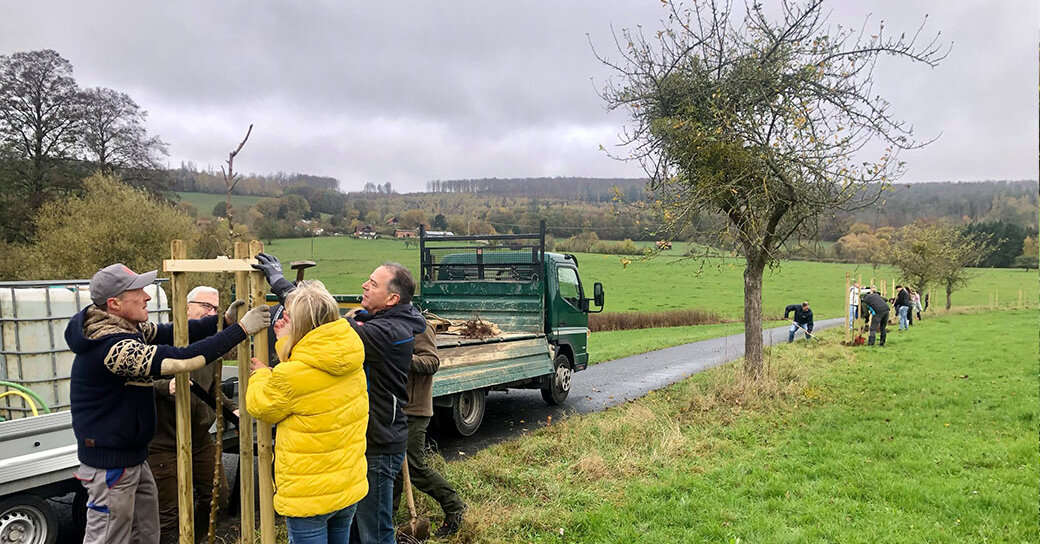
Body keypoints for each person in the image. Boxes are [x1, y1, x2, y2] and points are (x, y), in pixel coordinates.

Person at [66, 263, 270, 544]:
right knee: (109, 538)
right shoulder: (114, 348)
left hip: (133, 458)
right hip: (111, 466)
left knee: (146, 534)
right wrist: (241, 330)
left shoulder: (127, 327)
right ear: (114, 303)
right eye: (138, 292)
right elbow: (183, 359)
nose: (147, 296)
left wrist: (222, 321)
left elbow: (172, 332)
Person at [252, 256, 426, 544]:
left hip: (377, 443)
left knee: (375, 534)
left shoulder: (386, 332)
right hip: (360, 440)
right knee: (355, 531)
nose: (364, 285)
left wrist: (280, 285)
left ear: (392, 299)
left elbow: (322, 320)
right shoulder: (380, 321)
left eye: (373, 284)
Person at [246, 280, 368, 544]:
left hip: (309, 496)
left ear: (300, 324)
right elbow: (310, 370)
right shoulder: (350, 357)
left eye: (289, 316)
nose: (283, 319)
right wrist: (286, 343)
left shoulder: (291, 375)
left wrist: (261, 375)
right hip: (347, 486)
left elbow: (261, 405)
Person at [148, 286, 239, 542]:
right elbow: (134, 383)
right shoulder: (161, 339)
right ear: (186, 307)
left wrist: (233, 410)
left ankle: (192, 539)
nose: (211, 313)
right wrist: (165, 386)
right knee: (167, 513)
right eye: (206, 306)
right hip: (162, 442)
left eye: (215, 308)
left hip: (199, 440)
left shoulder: (210, 345)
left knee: (217, 498)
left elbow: (211, 390)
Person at [391, 320, 468, 538]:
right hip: (395, 409)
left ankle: (455, 506)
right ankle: (387, 517)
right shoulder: (387, 322)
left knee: (414, 466)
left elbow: (431, 362)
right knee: (393, 467)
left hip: (414, 409)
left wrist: (403, 358)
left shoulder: (419, 326)